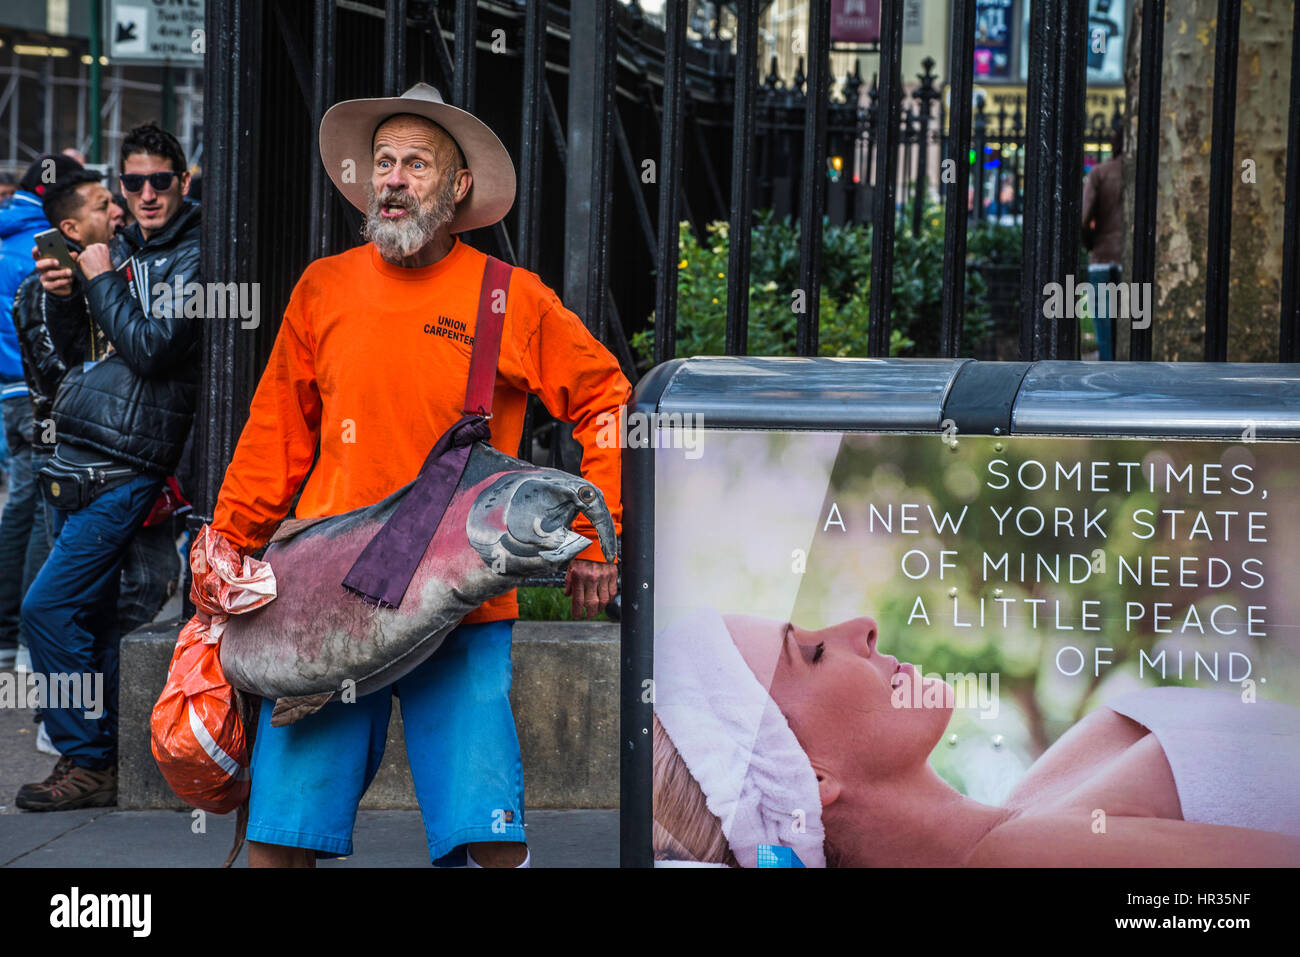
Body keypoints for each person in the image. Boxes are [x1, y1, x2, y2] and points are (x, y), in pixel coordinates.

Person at [201, 82, 630, 868]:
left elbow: (607, 400)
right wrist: (225, 552)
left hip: (461, 609)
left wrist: (590, 536)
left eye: (417, 164)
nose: (392, 179)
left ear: (458, 187)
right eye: (384, 162)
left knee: (488, 839)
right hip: (324, 604)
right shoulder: (322, 288)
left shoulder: (510, 297)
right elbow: (273, 440)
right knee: (277, 840)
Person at [653, 608, 1300, 866]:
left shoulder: (1030, 805)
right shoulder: (1015, 858)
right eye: (813, 653)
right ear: (810, 781)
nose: (863, 626)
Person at [15, 123, 201, 811]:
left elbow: (153, 347)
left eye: (160, 181)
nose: (146, 195)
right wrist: (63, 293)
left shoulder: (196, 255)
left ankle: (91, 757)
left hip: (132, 464)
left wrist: (94, 282)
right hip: (81, 455)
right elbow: (68, 353)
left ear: (182, 181)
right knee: (92, 616)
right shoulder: (119, 246)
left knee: (47, 608)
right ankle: (91, 754)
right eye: (133, 182)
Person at [0, 154, 71, 668]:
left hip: (7, 396)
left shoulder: (5, 237)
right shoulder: (44, 246)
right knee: (45, 510)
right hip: (36, 396)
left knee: (20, 507)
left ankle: (7, 636)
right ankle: (25, 640)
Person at [1081, 131, 1124, 360]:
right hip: (1130, 259)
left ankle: (1109, 377)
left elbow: (1083, 218)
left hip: (1102, 258)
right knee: (1136, 324)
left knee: (1104, 329)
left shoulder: (1099, 173)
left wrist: (1091, 244)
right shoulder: (1142, 172)